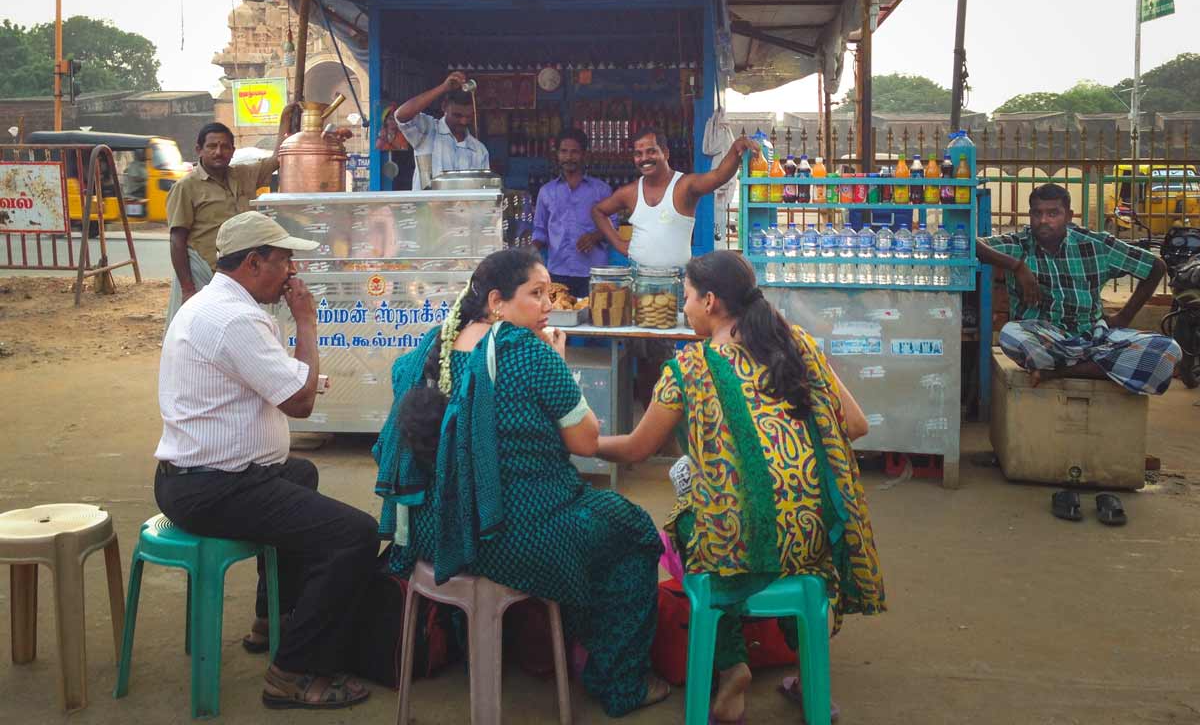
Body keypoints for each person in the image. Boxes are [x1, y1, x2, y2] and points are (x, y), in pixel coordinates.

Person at [595, 251, 885, 725]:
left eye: (686, 297)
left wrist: (583, 442)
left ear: (710, 302)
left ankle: (732, 667)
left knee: (692, 523)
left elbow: (636, 449)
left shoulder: (690, 368)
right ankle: (807, 676)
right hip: (812, 537)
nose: (683, 307)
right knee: (778, 537)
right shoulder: (797, 345)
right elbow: (855, 425)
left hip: (740, 546)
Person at [376, 249, 669, 717]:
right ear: (497, 301)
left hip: (433, 533)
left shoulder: (433, 346)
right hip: (509, 535)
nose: (548, 304)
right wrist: (557, 361)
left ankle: (518, 645)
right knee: (632, 529)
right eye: (536, 294)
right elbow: (586, 441)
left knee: (592, 524)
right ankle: (620, 682)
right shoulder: (529, 353)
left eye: (549, 293)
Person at [156, 211, 378, 711]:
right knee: (355, 536)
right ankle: (293, 672)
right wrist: (306, 321)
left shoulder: (214, 303)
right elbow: (300, 402)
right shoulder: (235, 318)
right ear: (254, 263)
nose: (292, 271)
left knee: (301, 473)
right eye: (284, 260)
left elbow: (277, 382)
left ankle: (269, 617)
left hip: (194, 478)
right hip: (214, 486)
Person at [977, 183, 1181, 393]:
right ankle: (1098, 365)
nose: (1043, 220)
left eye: (1053, 213)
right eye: (1037, 213)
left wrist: (1123, 317)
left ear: (1069, 216)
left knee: (1168, 350)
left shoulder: (1096, 244)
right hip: (1046, 339)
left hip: (1095, 336)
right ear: (1030, 215)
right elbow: (968, 243)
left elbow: (1156, 267)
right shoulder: (1018, 245)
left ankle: (1060, 372)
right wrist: (1017, 266)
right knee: (1011, 335)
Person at [165, 110, 295, 327]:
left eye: (225, 147)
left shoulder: (244, 174)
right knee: (201, 328)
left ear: (233, 151)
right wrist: (188, 289)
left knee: (235, 327)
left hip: (241, 273)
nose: (219, 152)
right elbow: (177, 240)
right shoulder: (186, 187)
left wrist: (285, 120)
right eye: (212, 146)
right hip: (205, 273)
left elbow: (276, 160)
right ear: (199, 150)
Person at [590, 126, 757, 269]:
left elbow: (719, 176)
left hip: (677, 281)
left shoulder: (684, 186)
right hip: (638, 279)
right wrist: (619, 244)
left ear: (665, 153)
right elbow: (598, 211)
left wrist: (736, 149)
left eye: (651, 151)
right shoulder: (630, 192)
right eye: (638, 154)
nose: (644, 158)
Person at [532, 127, 615, 298]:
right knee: (559, 312)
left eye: (574, 152)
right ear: (557, 154)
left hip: (593, 272)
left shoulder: (601, 190)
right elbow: (540, 230)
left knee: (595, 313)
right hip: (557, 271)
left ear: (584, 155)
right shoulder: (546, 192)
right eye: (564, 151)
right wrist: (529, 252)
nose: (569, 157)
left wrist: (594, 237)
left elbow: (613, 226)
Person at [391, 70, 489, 188]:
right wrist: (443, 88)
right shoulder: (427, 131)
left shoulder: (479, 150)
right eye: (457, 115)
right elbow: (401, 115)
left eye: (468, 116)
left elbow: (483, 191)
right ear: (444, 106)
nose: (463, 121)